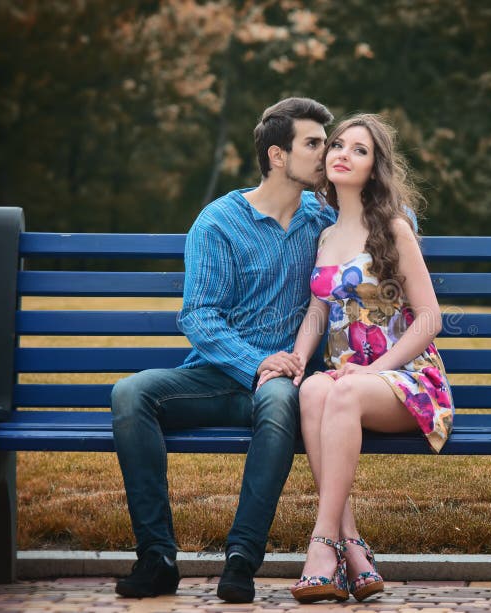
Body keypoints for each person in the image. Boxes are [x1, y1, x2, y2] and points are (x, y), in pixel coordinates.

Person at [109, 97, 336, 601]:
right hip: (217, 377)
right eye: (314, 143)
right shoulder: (218, 222)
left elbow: (392, 212)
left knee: (277, 398)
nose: (327, 152)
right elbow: (199, 316)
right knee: (131, 394)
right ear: (278, 155)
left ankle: (241, 561)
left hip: (286, 383)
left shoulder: (324, 219)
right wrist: (257, 361)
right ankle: (157, 558)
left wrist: (278, 368)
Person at [267, 114, 455, 603]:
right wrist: (295, 358)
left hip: (406, 377)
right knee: (310, 387)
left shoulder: (391, 228)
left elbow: (430, 318)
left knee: (342, 389)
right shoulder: (326, 236)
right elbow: (317, 311)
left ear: (375, 168)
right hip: (346, 376)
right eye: (337, 145)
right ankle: (351, 548)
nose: (342, 154)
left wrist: (375, 369)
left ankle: (321, 548)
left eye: (359, 149)